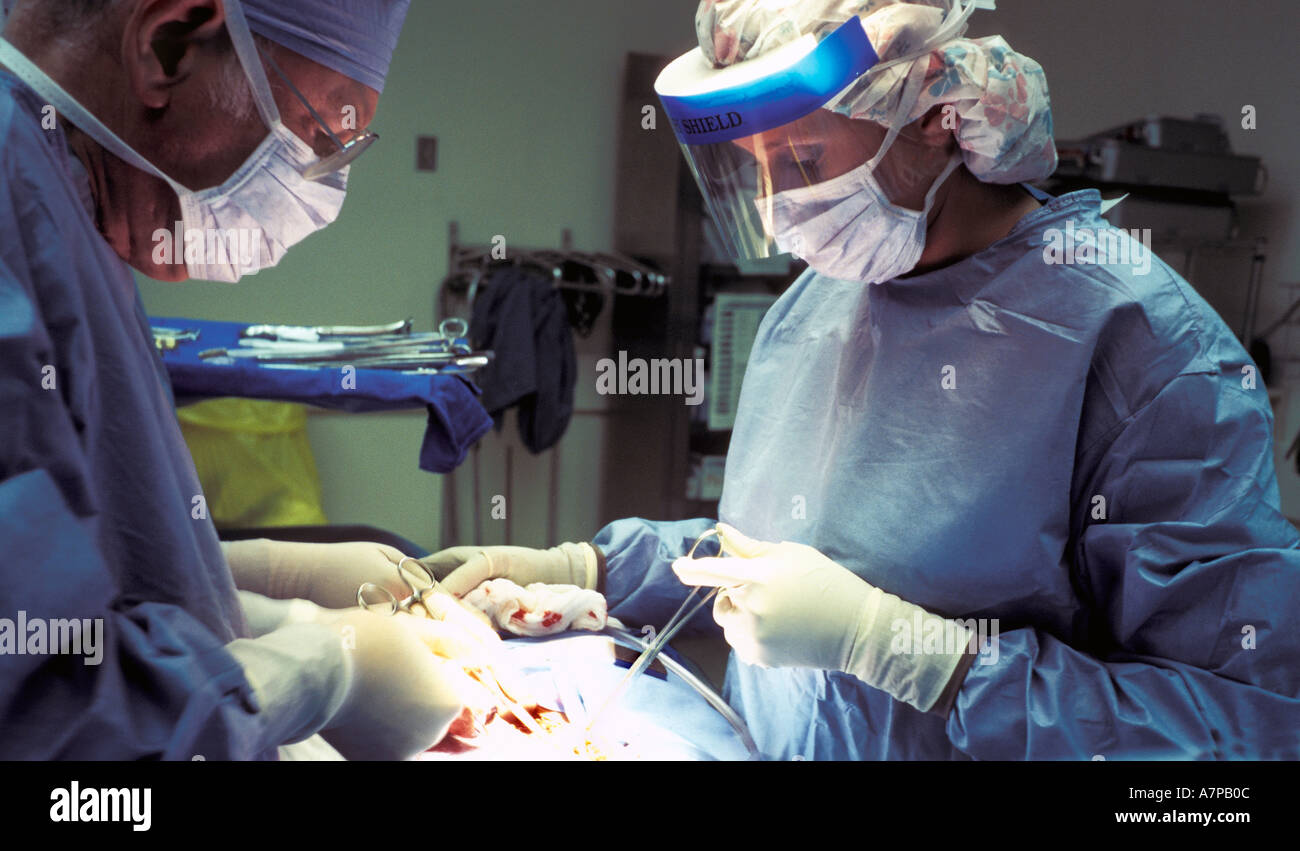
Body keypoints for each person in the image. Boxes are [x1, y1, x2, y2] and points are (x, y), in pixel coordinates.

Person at [427, 0, 1300, 759]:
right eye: (752, 173)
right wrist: (598, 569)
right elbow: (789, 558)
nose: (776, 209)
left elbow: (1240, 746)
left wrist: (927, 659)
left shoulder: (1146, 349)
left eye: (802, 163)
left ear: (931, 114)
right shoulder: (813, 310)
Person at [0, 0, 498, 760]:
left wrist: (248, 588)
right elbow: (45, 724)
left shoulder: (65, 197)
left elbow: (59, 570)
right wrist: (324, 667)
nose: (319, 202)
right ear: (168, 43)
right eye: (319, 142)